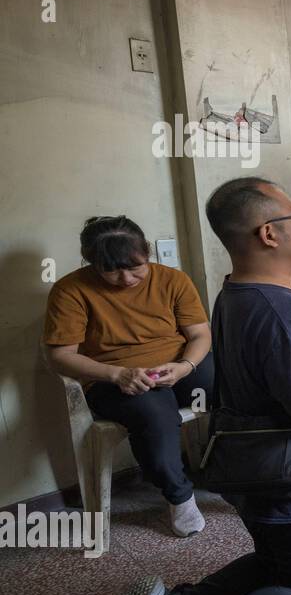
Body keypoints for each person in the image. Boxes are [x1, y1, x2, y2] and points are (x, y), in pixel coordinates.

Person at [74, 179, 291, 595]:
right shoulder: (280, 313)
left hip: (256, 472)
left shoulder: (238, 291)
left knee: (280, 564)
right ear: (270, 233)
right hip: (289, 476)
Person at [44, 216, 212, 538]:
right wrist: (117, 374)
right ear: (91, 261)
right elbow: (60, 356)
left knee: (235, 383)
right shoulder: (70, 291)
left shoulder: (172, 280)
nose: (126, 278)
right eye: (111, 270)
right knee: (154, 414)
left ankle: (236, 468)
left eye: (135, 267)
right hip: (114, 376)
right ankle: (179, 495)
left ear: (146, 252)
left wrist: (185, 367)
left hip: (178, 364)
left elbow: (200, 334)